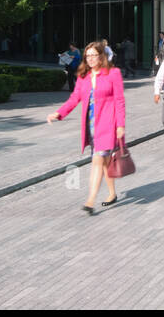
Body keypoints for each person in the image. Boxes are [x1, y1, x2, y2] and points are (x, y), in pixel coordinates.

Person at [47, 41, 126, 212]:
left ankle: (90, 200)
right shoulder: (83, 77)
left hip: (108, 124)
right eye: (87, 56)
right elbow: (74, 98)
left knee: (98, 160)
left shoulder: (113, 73)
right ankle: (112, 193)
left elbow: (119, 101)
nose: (90, 59)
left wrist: (120, 125)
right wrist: (59, 113)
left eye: (93, 55)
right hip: (91, 126)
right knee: (104, 162)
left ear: (101, 56)